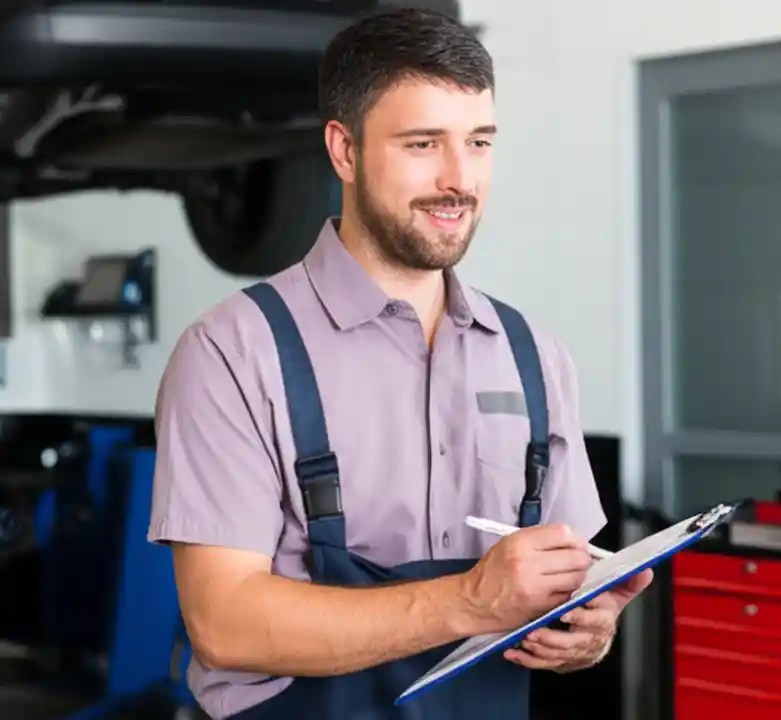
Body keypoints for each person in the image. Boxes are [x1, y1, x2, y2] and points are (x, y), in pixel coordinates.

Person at [147, 8, 650, 719]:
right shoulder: (234, 352)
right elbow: (223, 623)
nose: (459, 179)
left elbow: (561, 579)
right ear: (344, 151)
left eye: (479, 143)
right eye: (423, 144)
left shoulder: (534, 356)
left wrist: (586, 630)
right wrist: (472, 600)